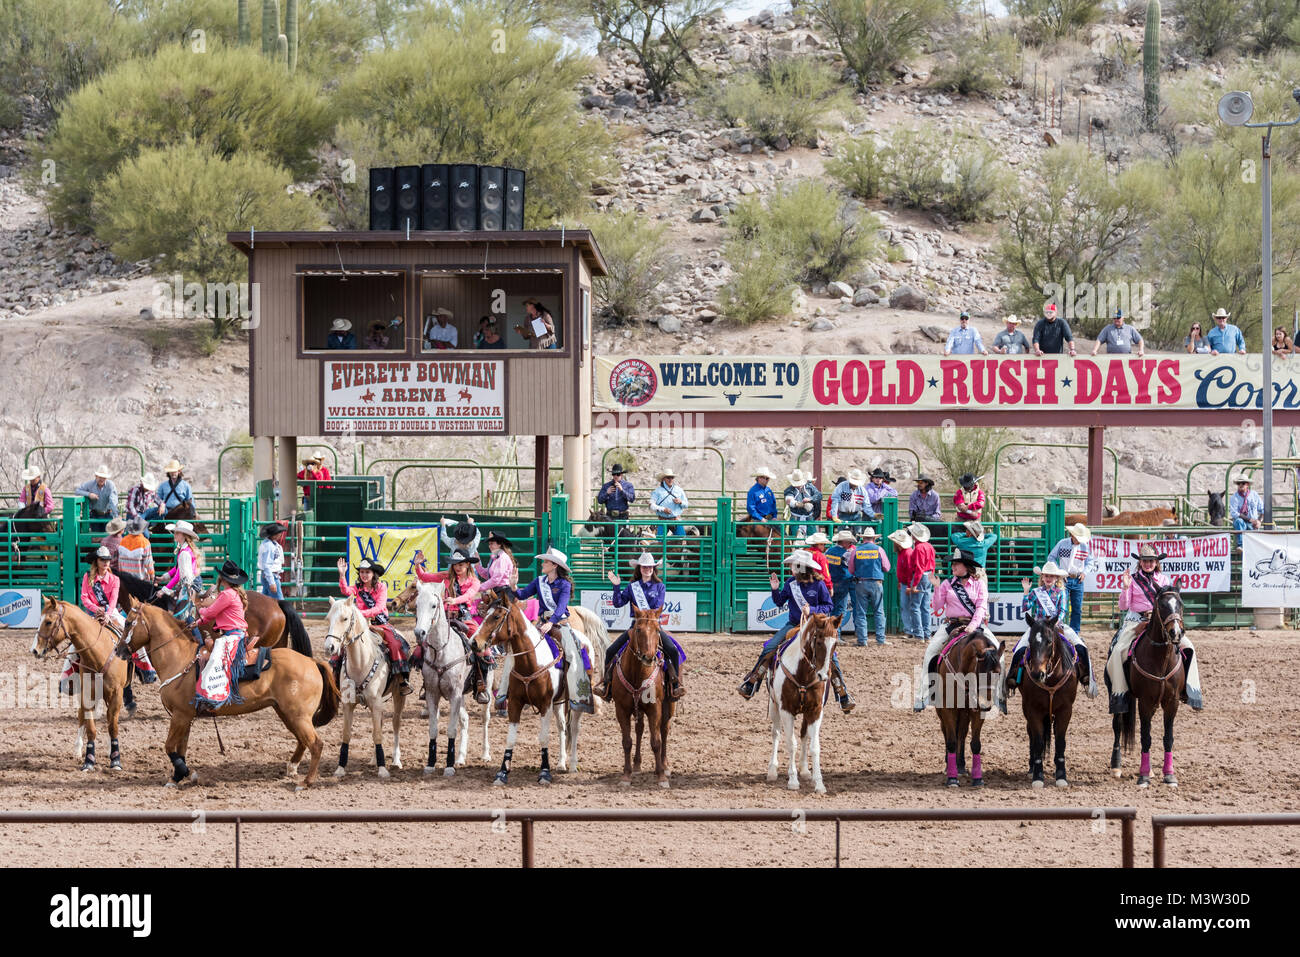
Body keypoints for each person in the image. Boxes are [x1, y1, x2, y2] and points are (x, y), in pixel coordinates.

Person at [736, 549, 853, 713]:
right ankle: (752, 681)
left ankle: (842, 692)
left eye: (794, 566)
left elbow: (829, 606)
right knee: (770, 647)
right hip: (793, 624)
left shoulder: (818, 584)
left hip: (814, 625)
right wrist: (775, 589)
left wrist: (812, 610)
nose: (791, 568)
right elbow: (779, 602)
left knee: (830, 656)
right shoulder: (790, 583)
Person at [1104, 543, 1202, 712]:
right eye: (1145, 561)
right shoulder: (1133, 580)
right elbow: (1123, 605)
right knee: (1119, 651)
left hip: (1161, 622)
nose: (1148, 564)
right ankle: (1119, 695)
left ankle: (1190, 691)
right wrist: (1126, 587)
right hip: (1136, 620)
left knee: (1188, 646)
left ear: (1157, 562)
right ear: (1140, 562)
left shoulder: (1164, 580)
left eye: (1151, 561)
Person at [996, 560, 1095, 714]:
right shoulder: (1036, 592)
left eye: (1051, 576)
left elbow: (1062, 610)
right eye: (1046, 576)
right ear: (1042, 577)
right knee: (1019, 648)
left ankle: (1084, 673)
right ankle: (1013, 676)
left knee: (1079, 644)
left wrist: (1055, 623)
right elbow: (1025, 607)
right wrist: (1026, 592)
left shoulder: (1061, 592)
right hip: (1037, 627)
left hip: (1057, 626)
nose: (1048, 578)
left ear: (1056, 578)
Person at [513, 547, 596, 713]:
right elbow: (522, 595)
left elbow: (561, 607)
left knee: (573, 653)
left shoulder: (564, 585)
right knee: (521, 648)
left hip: (559, 624)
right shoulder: (539, 582)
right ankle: (512, 692)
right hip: (541, 623)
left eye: (546, 562)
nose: (543, 564)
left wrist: (551, 623)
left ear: (554, 566)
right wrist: (513, 585)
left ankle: (577, 693)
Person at [597, 552, 687, 700]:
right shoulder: (633, 587)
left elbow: (657, 608)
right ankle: (607, 686)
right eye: (644, 567)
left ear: (654, 568)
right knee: (610, 651)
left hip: (652, 627)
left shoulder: (660, 586)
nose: (647, 569)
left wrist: (645, 618)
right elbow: (618, 603)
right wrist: (616, 586)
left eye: (650, 567)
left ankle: (675, 686)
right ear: (639, 568)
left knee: (673, 650)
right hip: (636, 627)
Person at [914, 548, 993, 711]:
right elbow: (936, 608)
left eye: (956, 564)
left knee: (997, 652)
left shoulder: (979, 585)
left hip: (975, 625)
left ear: (967, 566)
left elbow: (981, 608)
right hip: (951, 624)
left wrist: (972, 626)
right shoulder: (946, 584)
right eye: (953, 564)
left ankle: (998, 695)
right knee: (930, 652)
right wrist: (936, 588)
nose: (953, 567)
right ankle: (924, 695)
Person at [414, 547, 492, 703]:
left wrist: (455, 600)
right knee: (420, 649)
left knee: (483, 649)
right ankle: (427, 683)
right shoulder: (445, 576)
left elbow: (469, 595)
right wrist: (417, 565)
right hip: (444, 618)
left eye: (461, 564)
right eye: (455, 564)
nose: (458, 567)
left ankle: (480, 684)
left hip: (464, 619)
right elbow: (424, 576)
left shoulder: (474, 581)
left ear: (468, 565)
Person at [336, 557, 412, 695]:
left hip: (380, 624)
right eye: (362, 572)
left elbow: (379, 607)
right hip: (360, 626)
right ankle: (336, 678)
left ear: (373, 574)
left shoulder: (381, 587)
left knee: (395, 644)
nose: (364, 575)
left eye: (367, 572)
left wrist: (360, 613)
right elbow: (345, 591)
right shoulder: (357, 588)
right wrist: (342, 575)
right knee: (340, 646)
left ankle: (401, 680)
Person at [192, 560, 253, 712]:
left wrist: (199, 608)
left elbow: (211, 612)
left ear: (222, 579)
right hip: (235, 633)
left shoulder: (226, 594)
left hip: (232, 636)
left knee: (215, 660)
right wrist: (199, 621)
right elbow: (212, 614)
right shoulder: (233, 594)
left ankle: (213, 698)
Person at [1046, 522, 1092, 635]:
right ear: (1072, 535)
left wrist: (1084, 573)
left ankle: (1074, 633)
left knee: (1077, 609)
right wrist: (1059, 573)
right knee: (1062, 607)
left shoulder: (1084, 546)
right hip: (1063, 580)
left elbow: (1090, 562)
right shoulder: (1063, 543)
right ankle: (1059, 630)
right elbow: (1051, 557)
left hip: (1078, 579)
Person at [157, 520, 205, 622]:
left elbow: (178, 576)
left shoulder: (184, 553)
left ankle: (197, 637)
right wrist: (164, 577)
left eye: (177, 533)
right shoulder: (185, 549)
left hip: (189, 584)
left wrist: (164, 590)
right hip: (192, 582)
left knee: (183, 616)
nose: (174, 534)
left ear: (183, 535)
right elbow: (177, 568)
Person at [850, 527, 890, 646]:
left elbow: (851, 569)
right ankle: (880, 640)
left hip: (861, 582)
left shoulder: (856, 550)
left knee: (861, 612)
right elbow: (886, 567)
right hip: (876, 583)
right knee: (879, 611)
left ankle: (862, 640)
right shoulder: (879, 549)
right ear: (874, 538)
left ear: (863, 538)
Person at [906, 522, 937, 639]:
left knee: (915, 606)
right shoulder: (929, 546)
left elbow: (919, 568)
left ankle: (919, 635)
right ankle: (927, 634)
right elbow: (933, 564)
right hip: (929, 575)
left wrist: (914, 585)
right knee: (925, 607)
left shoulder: (918, 548)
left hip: (922, 576)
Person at [889, 528, 919, 640]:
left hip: (907, 584)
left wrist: (907, 584)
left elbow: (910, 571)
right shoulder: (904, 552)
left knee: (908, 606)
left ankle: (910, 630)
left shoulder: (906, 553)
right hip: (905, 583)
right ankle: (911, 630)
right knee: (908, 606)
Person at [826, 528, 859, 629]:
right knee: (840, 610)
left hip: (831, 583)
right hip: (844, 582)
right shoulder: (846, 554)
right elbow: (853, 566)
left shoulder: (829, 551)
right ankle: (836, 634)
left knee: (832, 609)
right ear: (844, 542)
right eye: (849, 542)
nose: (850, 544)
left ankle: (830, 631)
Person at [75, 466, 118, 533]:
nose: (102, 479)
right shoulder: (90, 484)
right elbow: (77, 491)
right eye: (100, 477)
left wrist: (116, 515)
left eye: (104, 478)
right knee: (96, 536)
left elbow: (113, 500)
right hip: (95, 514)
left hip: (107, 514)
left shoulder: (110, 485)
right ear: (96, 476)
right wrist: (89, 494)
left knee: (107, 535)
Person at [783, 468, 822, 539]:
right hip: (796, 518)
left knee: (813, 538)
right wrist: (800, 504)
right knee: (796, 539)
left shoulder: (809, 487)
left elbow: (819, 495)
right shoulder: (789, 490)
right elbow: (789, 500)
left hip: (809, 518)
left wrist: (810, 499)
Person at [649, 468, 689, 537]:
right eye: (668, 477)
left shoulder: (679, 490)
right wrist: (663, 509)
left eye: (672, 477)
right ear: (664, 479)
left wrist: (680, 502)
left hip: (676, 520)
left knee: (683, 540)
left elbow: (686, 505)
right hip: (663, 520)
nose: (670, 479)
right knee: (659, 542)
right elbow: (651, 505)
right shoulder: (657, 491)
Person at [116, 517, 155, 581]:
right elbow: (148, 562)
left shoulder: (123, 540)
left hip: (124, 577)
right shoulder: (145, 542)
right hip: (139, 579)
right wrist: (152, 575)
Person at [1229, 477, 1264, 546]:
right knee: (1238, 521)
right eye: (1239, 483)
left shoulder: (1254, 495)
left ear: (1247, 484)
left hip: (1253, 525)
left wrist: (1259, 521)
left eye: (1243, 483)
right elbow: (1234, 513)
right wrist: (1250, 519)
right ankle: (1241, 545)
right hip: (1242, 523)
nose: (1241, 485)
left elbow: (1262, 509)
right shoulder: (1234, 497)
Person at [258, 522, 287, 599]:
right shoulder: (269, 546)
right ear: (274, 535)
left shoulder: (270, 544)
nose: (281, 534)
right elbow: (267, 565)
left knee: (264, 601)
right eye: (279, 533)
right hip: (271, 576)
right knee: (280, 602)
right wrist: (272, 582)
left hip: (268, 575)